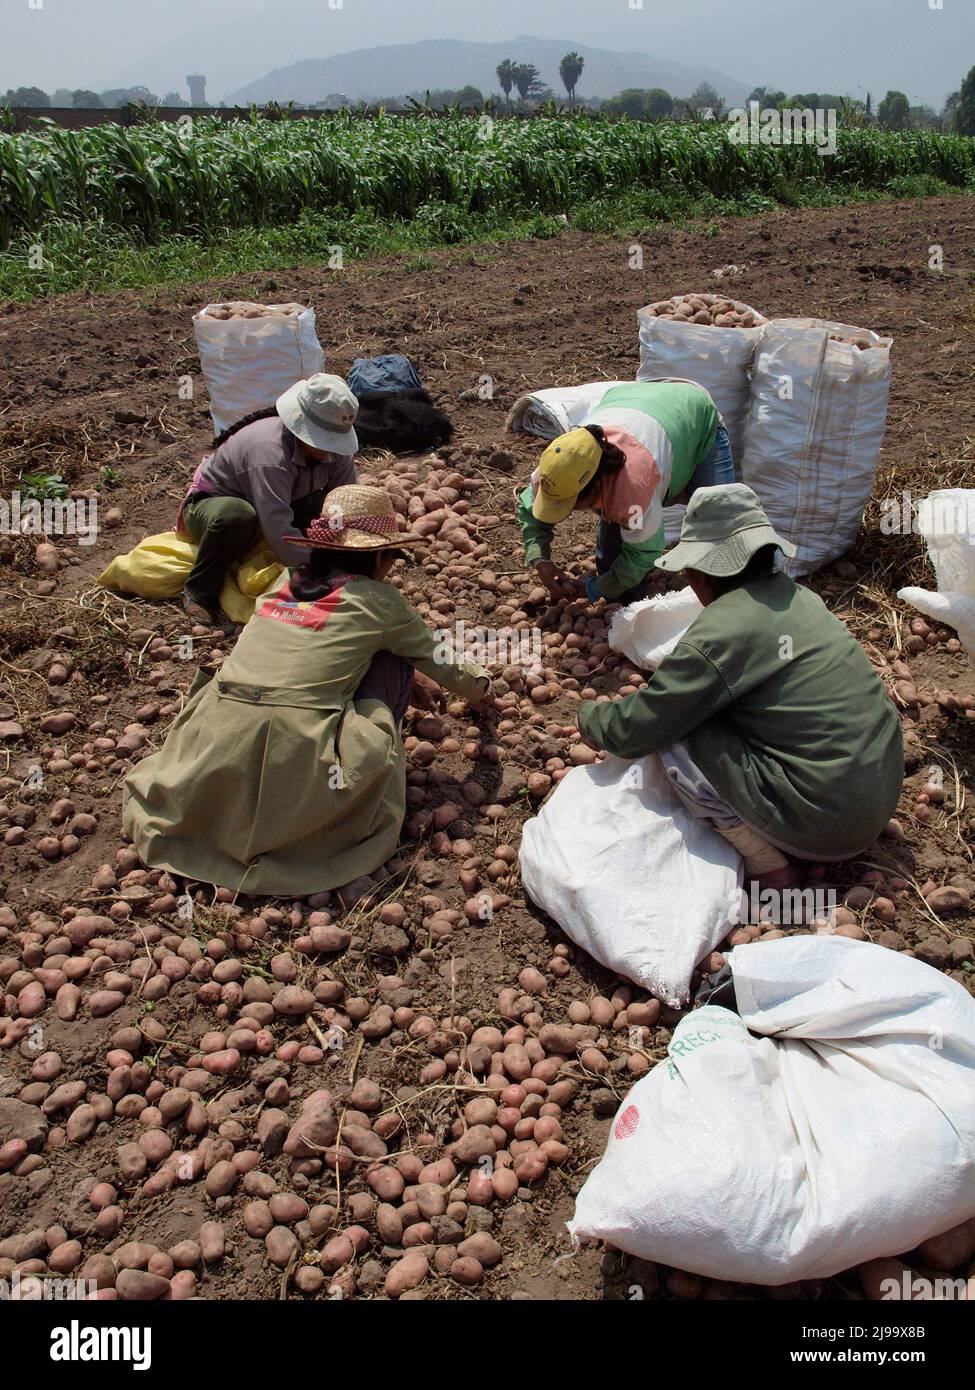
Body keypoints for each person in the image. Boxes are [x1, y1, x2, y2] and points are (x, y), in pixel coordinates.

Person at [123, 485, 490, 897]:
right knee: (392, 657)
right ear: (379, 556)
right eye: (391, 558)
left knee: (369, 653)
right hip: (298, 757)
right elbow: (441, 660)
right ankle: (345, 801)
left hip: (210, 741)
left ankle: (211, 824)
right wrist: (483, 690)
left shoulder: (280, 584)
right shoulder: (379, 601)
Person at [576, 484, 904, 887]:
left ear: (698, 571)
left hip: (822, 825)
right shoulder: (802, 598)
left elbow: (637, 729)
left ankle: (765, 859)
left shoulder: (721, 631)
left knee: (681, 728)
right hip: (876, 801)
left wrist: (589, 716)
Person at [516, 380, 735, 607]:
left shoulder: (632, 490)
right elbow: (531, 511)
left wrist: (594, 588)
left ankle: (728, 604)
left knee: (716, 529)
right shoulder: (559, 465)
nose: (570, 511)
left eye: (572, 504)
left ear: (597, 489)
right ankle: (627, 600)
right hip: (633, 400)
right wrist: (539, 557)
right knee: (615, 566)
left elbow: (643, 554)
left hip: (693, 412)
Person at [177, 373, 360, 627]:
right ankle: (199, 592)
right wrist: (321, 571)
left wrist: (357, 557)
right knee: (237, 515)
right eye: (325, 441)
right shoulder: (270, 453)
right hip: (213, 506)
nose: (331, 450)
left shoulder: (336, 454)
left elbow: (347, 501)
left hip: (275, 500)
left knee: (325, 508)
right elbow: (276, 524)